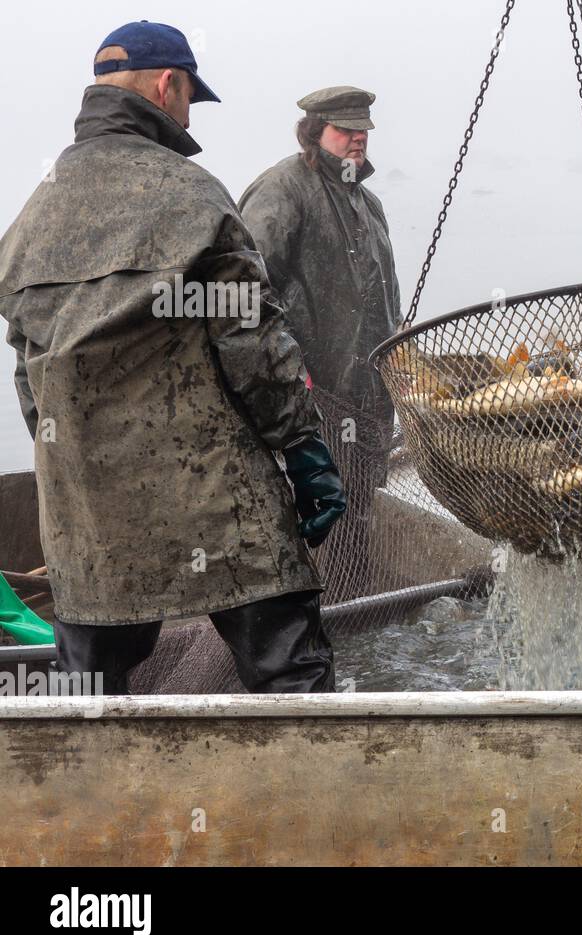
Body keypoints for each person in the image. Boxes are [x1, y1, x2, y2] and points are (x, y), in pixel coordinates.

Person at [0, 21, 346, 693]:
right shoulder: (192, 194)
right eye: (190, 97)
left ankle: (89, 797)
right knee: (292, 680)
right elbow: (253, 340)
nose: (188, 114)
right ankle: (305, 796)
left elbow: (31, 383)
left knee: (88, 698)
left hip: (90, 527)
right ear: (168, 85)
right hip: (218, 507)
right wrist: (304, 446)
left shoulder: (27, 222)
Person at [239, 86, 401, 602]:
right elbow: (246, 293)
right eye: (345, 128)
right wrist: (288, 371)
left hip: (367, 394)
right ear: (314, 131)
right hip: (308, 393)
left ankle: (350, 612)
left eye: (363, 130)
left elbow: (382, 297)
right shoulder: (283, 189)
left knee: (356, 509)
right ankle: (305, 615)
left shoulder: (367, 202)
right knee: (310, 508)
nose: (358, 138)